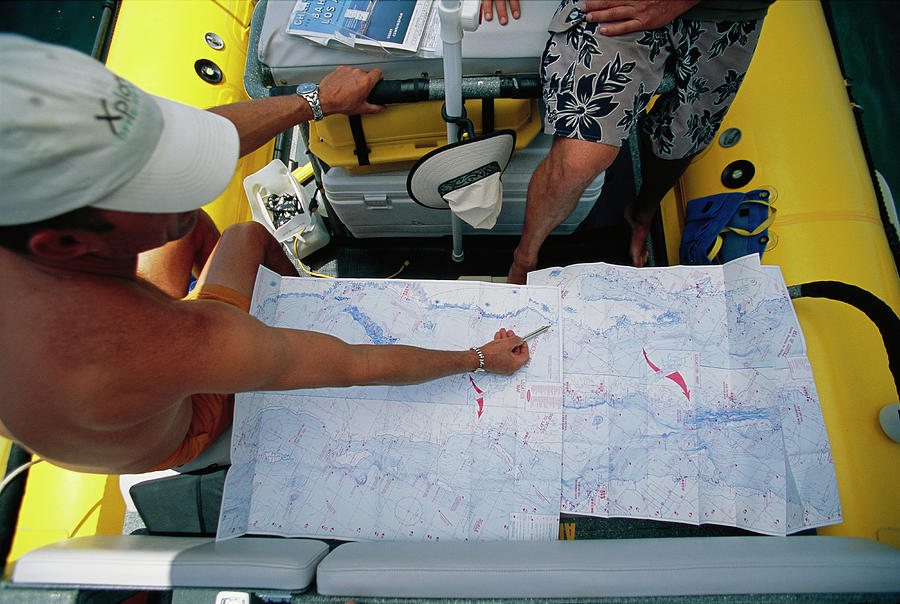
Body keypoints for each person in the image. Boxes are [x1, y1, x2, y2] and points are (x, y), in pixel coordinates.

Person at [0, 34, 530, 475]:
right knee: (239, 246)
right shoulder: (140, 343)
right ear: (66, 243)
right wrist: (478, 358)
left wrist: (318, 102)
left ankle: (292, 293)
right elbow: (354, 364)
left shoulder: (32, 221)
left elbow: (196, 140)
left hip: (112, 360)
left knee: (232, 234)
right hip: (185, 428)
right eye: (157, 192)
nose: (193, 191)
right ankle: (278, 314)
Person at [484, 0, 773, 283]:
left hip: (729, 12)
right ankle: (525, 257)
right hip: (618, 7)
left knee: (684, 141)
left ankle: (642, 213)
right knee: (579, 159)